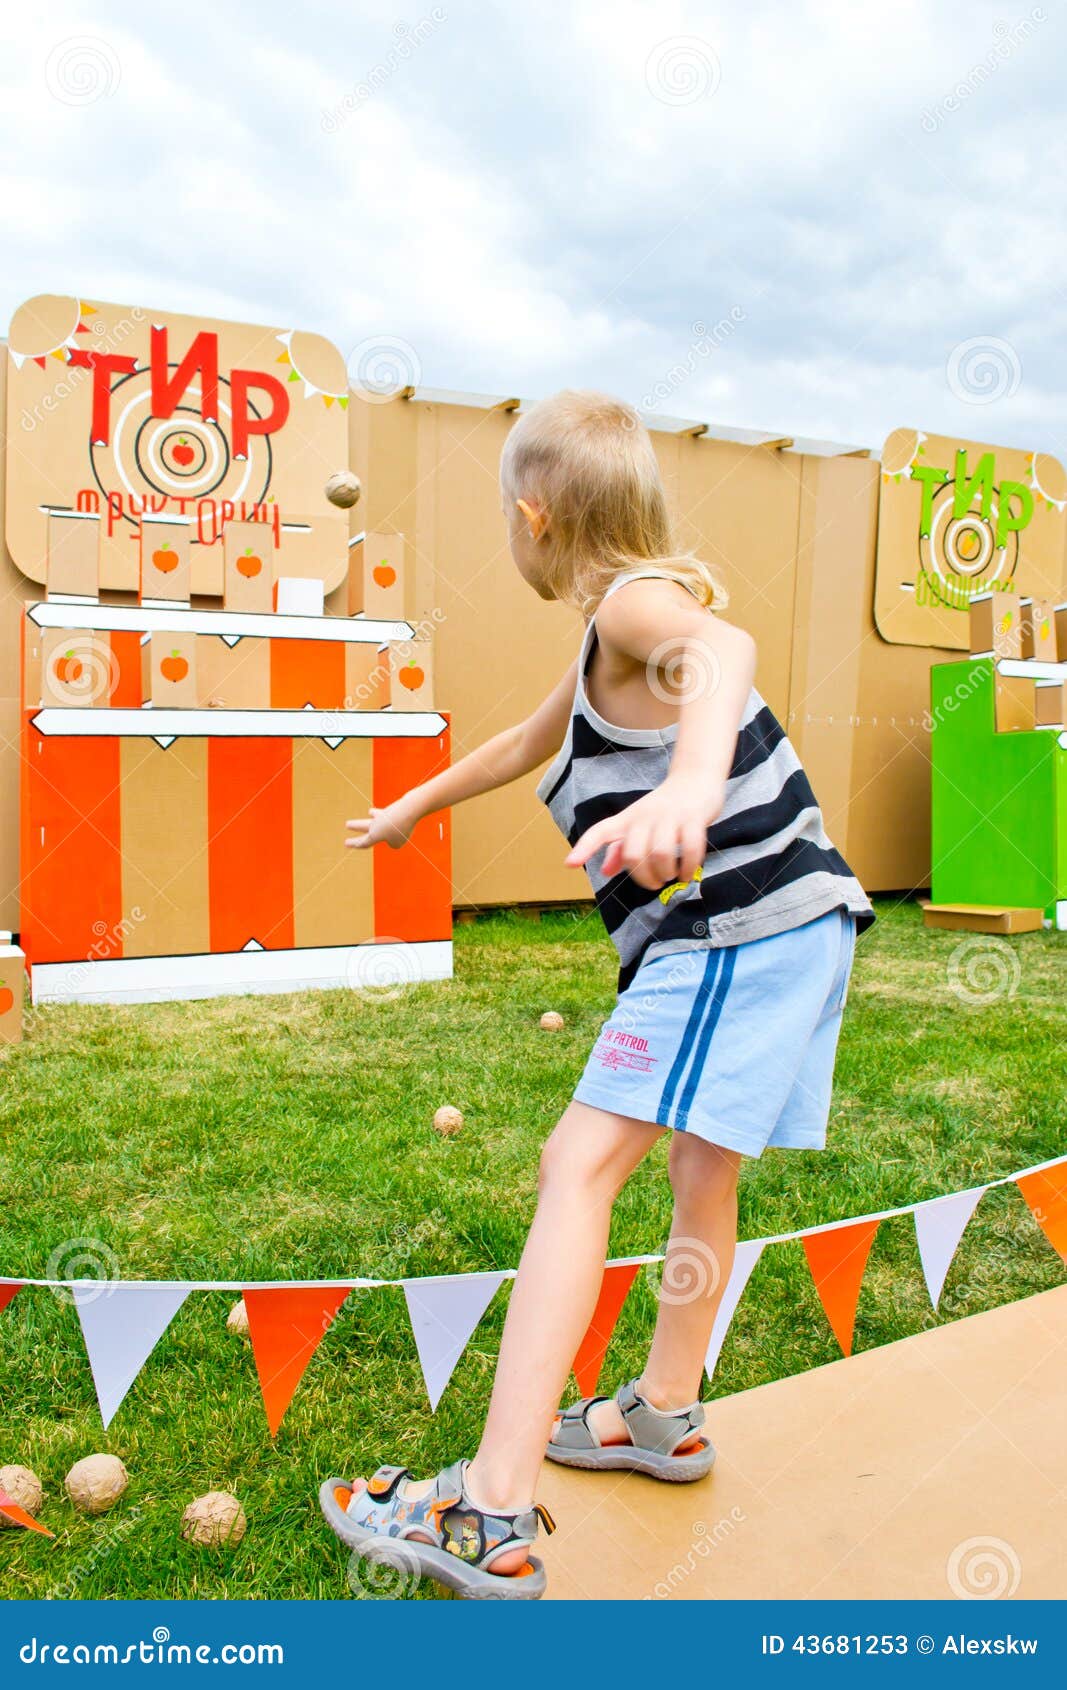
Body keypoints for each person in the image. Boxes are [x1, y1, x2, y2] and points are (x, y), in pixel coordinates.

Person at [320, 390, 874, 1600]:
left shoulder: (635, 604)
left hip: (729, 929)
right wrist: (414, 805)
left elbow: (719, 654)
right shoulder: (595, 644)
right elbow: (529, 744)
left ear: (533, 515)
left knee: (578, 1165)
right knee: (699, 1167)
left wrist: (685, 786)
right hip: (791, 924)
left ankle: (486, 1505)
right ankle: (661, 1414)